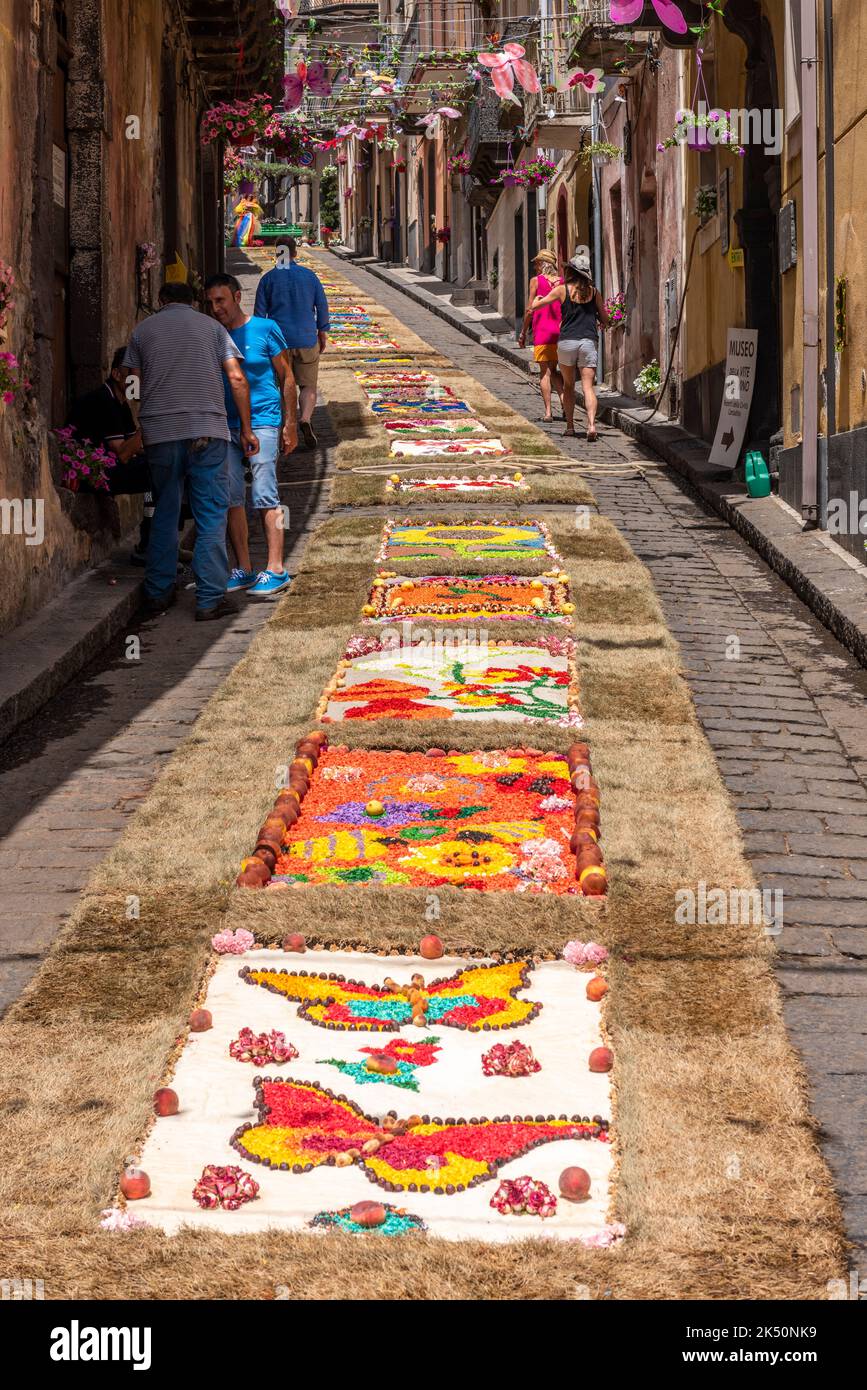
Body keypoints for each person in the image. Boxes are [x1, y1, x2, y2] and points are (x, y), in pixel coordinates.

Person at [123, 280, 258, 621]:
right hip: (207, 430)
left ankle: (157, 592)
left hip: (161, 432)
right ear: (193, 302)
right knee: (211, 512)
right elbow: (237, 379)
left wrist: (147, 414)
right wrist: (245, 428)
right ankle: (209, 599)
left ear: (161, 300)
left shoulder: (142, 331)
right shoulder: (213, 329)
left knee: (165, 510)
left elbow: (132, 385)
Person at [204, 273, 298, 598]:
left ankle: (276, 568)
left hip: (264, 421)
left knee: (265, 493)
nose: (216, 308)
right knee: (232, 498)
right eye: (211, 303)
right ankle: (242, 568)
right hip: (225, 425)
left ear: (236, 297)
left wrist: (291, 423)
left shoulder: (265, 329)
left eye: (221, 301)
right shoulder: (214, 337)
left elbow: (286, 376)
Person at [68, 347, 154, 562]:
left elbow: (138, 445)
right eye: (132, 374)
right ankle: (149, 545)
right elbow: (124, 453)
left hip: (109, 467)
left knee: (164, 466)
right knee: (157, 472)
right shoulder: (103, 400)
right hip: (92, 476)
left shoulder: (121, 403)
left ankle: (158, 541)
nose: (137, 381)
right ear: (116, 374)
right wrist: (148, 423)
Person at [253, 236, 330, 450]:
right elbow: (322, 307)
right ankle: (305, 418)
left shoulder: (268, 280)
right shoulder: (309, 276)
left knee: (282, 384)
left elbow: (259, 315)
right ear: (295, 253)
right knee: (308, 385)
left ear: (277, 253)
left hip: (279, 342)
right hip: (306, 337)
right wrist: (322, 332)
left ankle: (288, 423)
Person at [530, 252, 606, 440]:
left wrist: (537, 298)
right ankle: (591, 425)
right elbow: (605, 318)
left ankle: (570, 426)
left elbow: (535, 306)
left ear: (571, 271)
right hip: (588, 341)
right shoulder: (594, 292)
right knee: (588, 387)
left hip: (566, 342)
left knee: (570, 386)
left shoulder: (562, 290)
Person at [517, 250, 564, 423]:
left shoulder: (536, 281)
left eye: (536, 263)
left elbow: (530, 310)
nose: (535, 266)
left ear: (542, 264)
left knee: (545, 372)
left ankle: (548, 412)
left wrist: (523, 332)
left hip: (543, 331)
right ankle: (564, 403)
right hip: (560, 333)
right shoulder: (563, 282)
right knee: (555, 370)